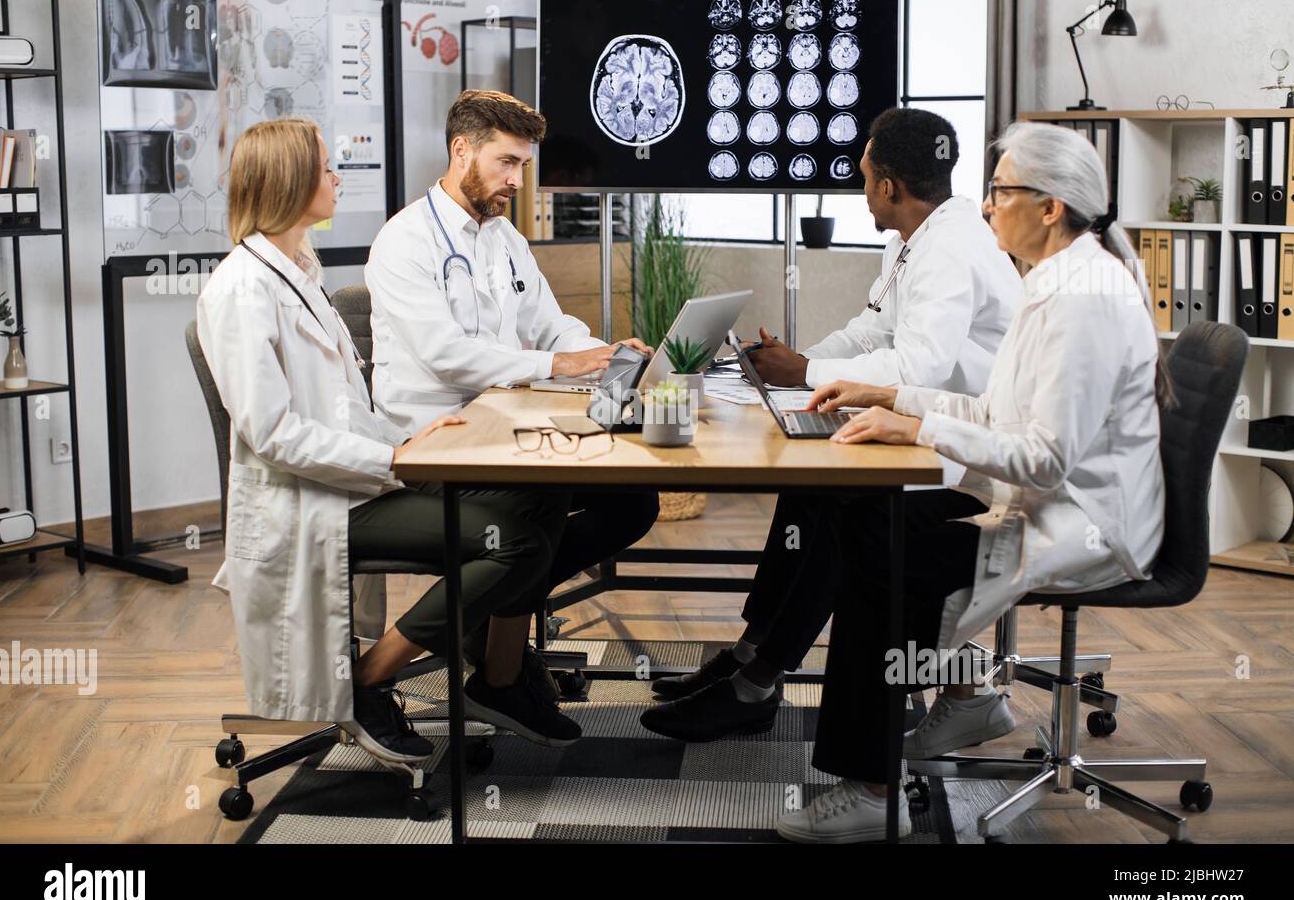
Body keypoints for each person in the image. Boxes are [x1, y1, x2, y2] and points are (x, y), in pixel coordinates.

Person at [774, 120, 1169, 842]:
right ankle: (965, 694)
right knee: (870, 525)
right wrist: (896, 399)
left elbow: (1045, 456)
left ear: (1049, 207)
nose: (985, 207)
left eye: (1000, 192)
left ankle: (870, 787)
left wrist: (920, 428)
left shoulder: (1083, 300)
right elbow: (997, 410)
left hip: (1085, 526)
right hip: (1043, 503)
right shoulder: (1053, 278)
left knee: (881, 556)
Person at [197, 119, 582, 765]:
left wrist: (411, 441)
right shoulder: (241, 289)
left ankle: (500, 678)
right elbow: (272, 435)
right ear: (289, 182)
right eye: (325, 168)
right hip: (310, 504)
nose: (336, 177)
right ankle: (370, 678)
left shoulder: (298, 272)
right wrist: (393, 459)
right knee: (511, 543)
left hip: (354, 478)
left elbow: (346, 408)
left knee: (539, 498)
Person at [640, 107, 1023, 742]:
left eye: (864, 175)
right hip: (922, 430)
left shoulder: (951, 248)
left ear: (888, 187)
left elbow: (916, 364)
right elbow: (874, 327)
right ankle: (752, 656)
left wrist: (809, 368)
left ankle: (756, 681)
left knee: (842, 504)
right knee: (810, 485)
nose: (860, 187)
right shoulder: (912, 237)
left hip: (965, 452)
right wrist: (802, 364)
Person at [365, 89, 658, 671]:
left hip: (500, 431)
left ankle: (491, 619)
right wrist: (559, 365)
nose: (517, 179)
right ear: (461, 150)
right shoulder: (404, 241)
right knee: (541, 499)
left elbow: (550, 325)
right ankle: (499, 666)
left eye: (523, 165)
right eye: (506, 161)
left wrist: (600, 352)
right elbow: (446, 355)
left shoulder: (504, 238)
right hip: (433, 445)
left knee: (632, 503)